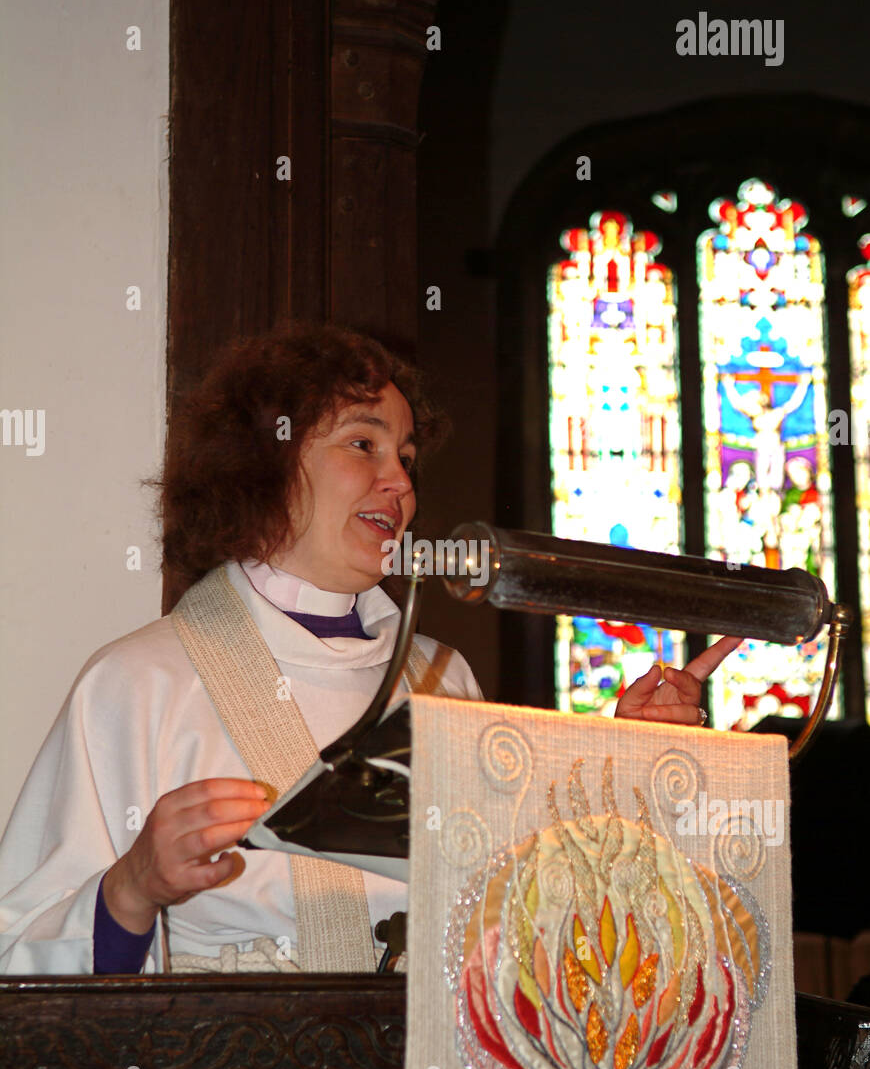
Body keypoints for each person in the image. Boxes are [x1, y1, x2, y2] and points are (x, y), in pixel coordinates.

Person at [0, 321, 740, 975]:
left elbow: (521, 901)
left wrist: (629, 764)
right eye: (364, 445)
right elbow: (23, 960)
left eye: (407, 456)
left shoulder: (442, 679)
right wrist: (132, 888)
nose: (401, 484)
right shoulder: (139, 684)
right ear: (263, 463)